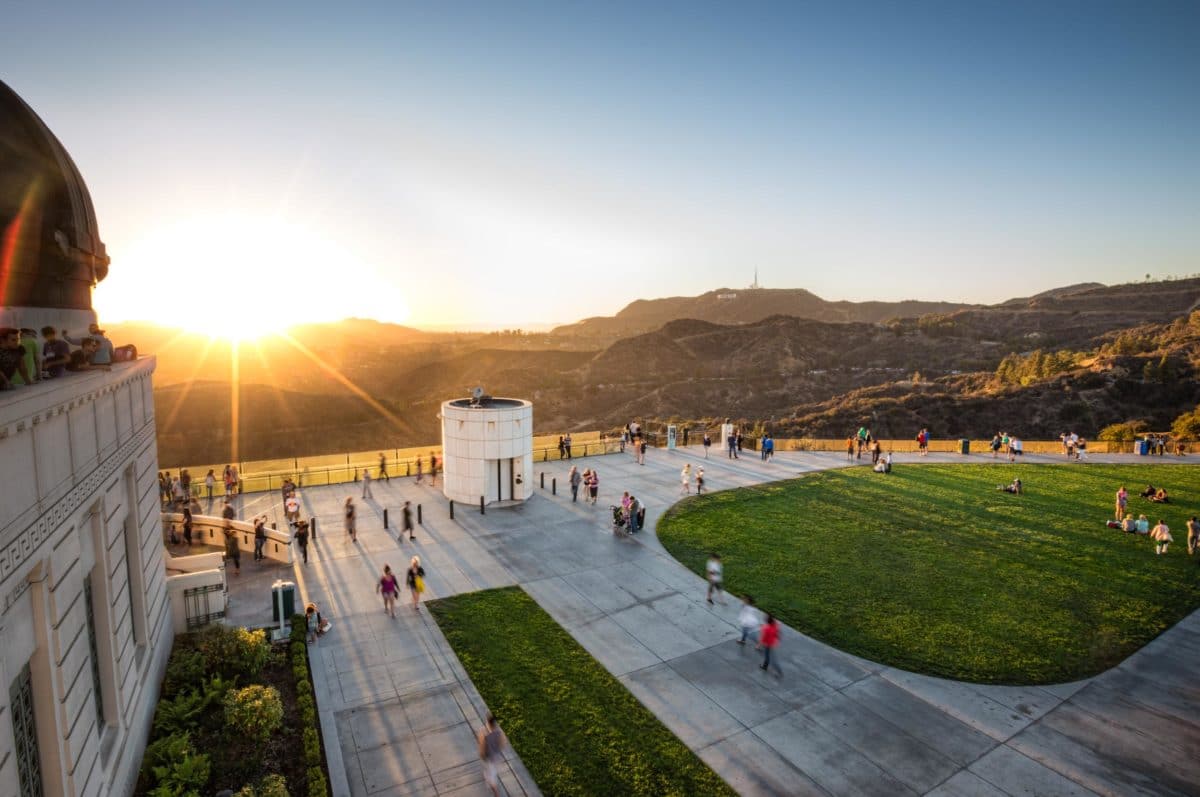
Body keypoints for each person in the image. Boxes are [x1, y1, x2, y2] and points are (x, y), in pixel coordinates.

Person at [477, 714, 507, 797]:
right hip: (496, 756)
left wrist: (481, 754)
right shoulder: (499, 731)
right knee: (492, 770)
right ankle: (486, 775)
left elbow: (482, 745)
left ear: (488, 722)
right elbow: (503, 743)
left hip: (488, 757)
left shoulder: (483, 731)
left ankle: (496, 794)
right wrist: (497, 749)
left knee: (492, 779)